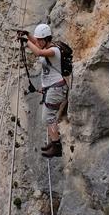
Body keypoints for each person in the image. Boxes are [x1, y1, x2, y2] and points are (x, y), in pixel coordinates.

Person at [19, 23, 67, 158]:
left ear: (47, 39)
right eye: (37, 40)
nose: (38, 42)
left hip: (56, 87)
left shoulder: (54, 51)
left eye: (40, 40)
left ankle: (56, 146)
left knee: (48, 117)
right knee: (48, 118)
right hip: (51, 88)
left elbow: (39, 52)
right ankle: (54, 142)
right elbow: (37, 44)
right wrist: (27, 34)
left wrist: (26, 41)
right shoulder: (45, 45)